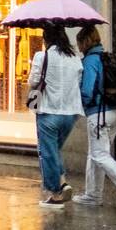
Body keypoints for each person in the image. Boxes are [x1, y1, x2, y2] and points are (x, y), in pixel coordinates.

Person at [73, 25, 116, 209]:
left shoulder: (90, 61)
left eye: (79, 43)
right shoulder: (109, 58)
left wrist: (80, 103)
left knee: (99, 154)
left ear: (85, 42)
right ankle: (93, 195)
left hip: (99, 113)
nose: (78, 47)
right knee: (96, 154)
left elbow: (87, 91)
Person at [27, 23, 84, 209]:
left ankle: (55, 194)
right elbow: (79, 81)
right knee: (54, 150)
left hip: (49, 110)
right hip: (71, 113)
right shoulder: (74, 57)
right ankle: (62, 182)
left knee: (47, 153)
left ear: (46, 39)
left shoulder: (42, 56)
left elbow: (33, 82)